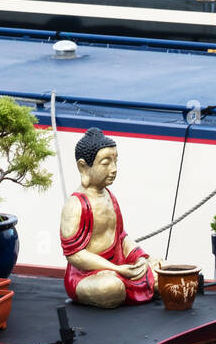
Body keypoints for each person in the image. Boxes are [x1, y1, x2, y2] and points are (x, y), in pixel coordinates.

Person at [60, 128, 161, 308]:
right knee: (111, 288)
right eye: (106, 163)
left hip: (119, 266)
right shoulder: (76, 204)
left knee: (161, 269)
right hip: (86, 275)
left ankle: (139, 280)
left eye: (115, 161)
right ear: (83, 167)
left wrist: (139, 258)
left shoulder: (109, 196)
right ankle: (130, 283)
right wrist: (114, 269)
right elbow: (74, 255)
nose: (113, 169)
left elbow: (121, 236)